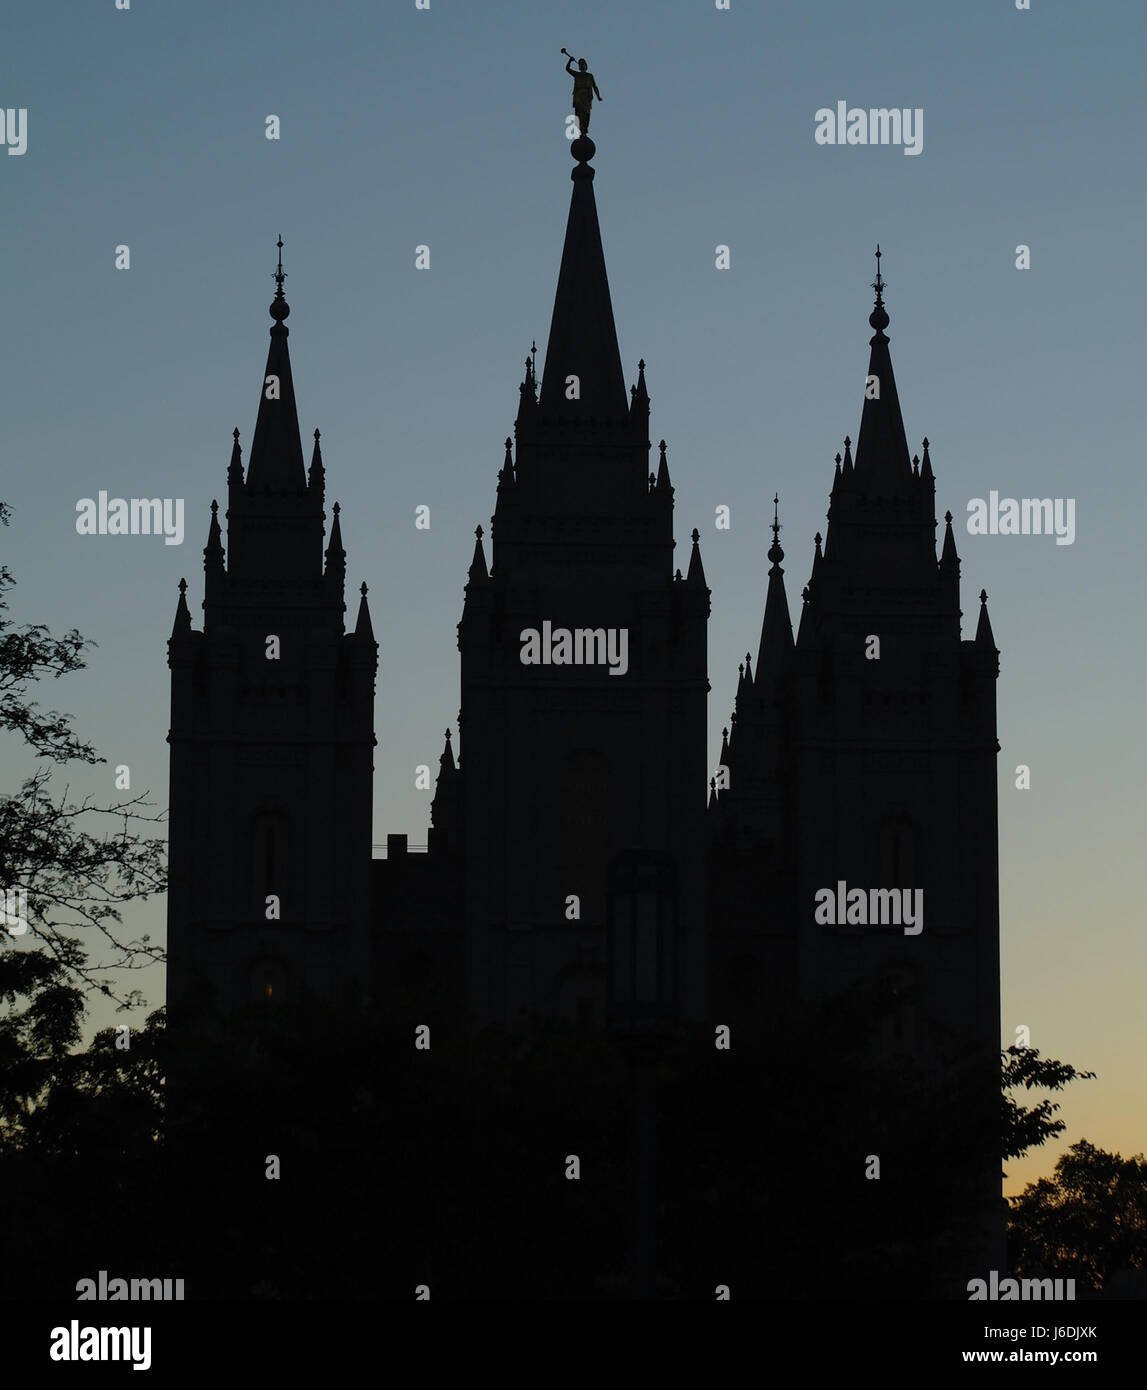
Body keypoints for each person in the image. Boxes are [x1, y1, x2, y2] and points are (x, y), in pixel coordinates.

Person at [565, 55, 602, 136]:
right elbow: (567, 69)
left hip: (587, 98)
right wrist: (570, 61)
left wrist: (598, 96)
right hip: (578, 97)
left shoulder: (590, 76)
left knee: (586, 115)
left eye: (583, 64)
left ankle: (585, 129)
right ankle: (581, 131)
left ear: (586, 66)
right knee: (579, 114)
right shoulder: (577, 74)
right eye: (580, 64)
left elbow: (595, 86)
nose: (581, 65)